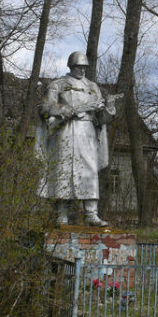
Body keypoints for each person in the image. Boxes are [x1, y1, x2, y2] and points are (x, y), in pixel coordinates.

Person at [36, 51, 122, 227]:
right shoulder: (57, 85)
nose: (82, 70)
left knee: (89, 171)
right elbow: (45, 107)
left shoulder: (92, 87)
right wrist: (65, 109)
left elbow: (100, 119)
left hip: (87, 132)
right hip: (65, 130)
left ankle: (91, 213)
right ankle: (62, 214)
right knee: (63, 168)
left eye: (84, 67)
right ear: (71, 66)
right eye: (78, 67)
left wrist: (110, 109)